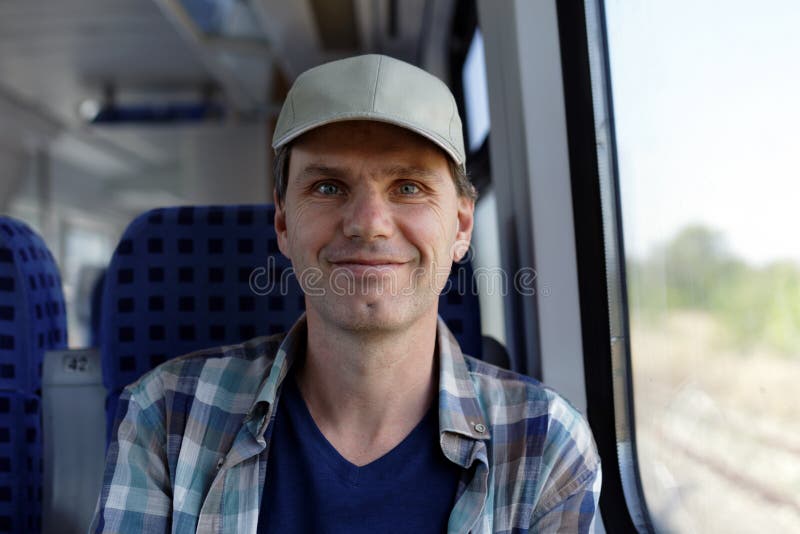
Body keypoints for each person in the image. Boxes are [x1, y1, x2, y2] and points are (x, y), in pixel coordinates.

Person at [91, 54, 601, 533]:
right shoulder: (166, 417)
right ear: (284, 222)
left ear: (462, 226)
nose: (368, 225)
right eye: (329, 186)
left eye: (408, 187)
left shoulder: (543, 444)